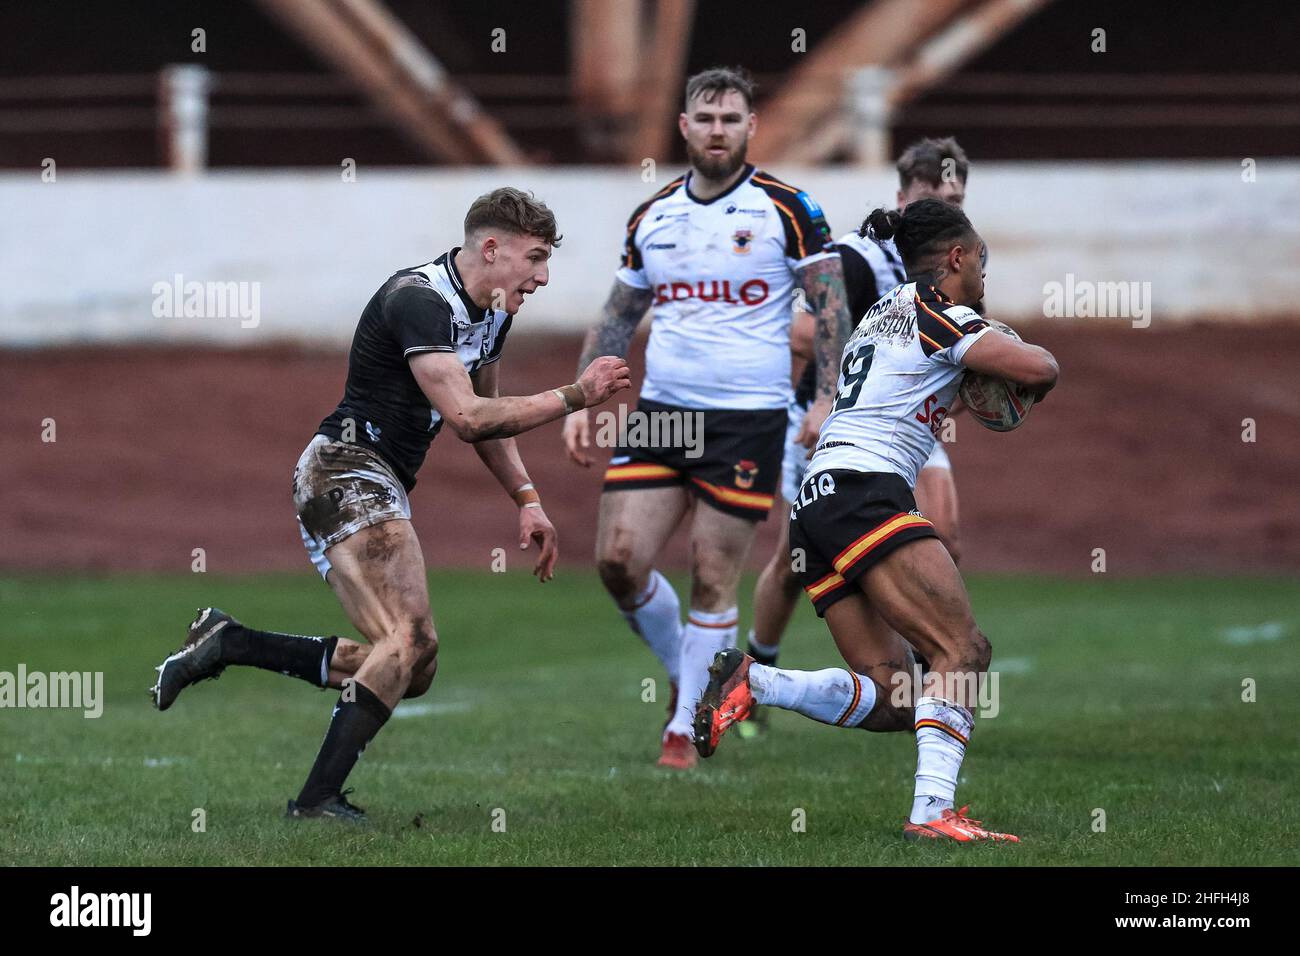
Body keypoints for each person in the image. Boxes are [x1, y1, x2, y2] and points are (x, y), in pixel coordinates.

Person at [150, 188, 631, 821]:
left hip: (365, 481)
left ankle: (231, 643)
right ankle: (316, 801)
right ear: (491, 248)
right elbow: (466, 417)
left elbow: (492, 417)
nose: (544, 277)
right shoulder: (420, 302)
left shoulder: (491, 313)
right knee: (409, 638)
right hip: (347, 470)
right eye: (535, 259)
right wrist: (576, 394)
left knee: (414, 664)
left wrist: (528, 499)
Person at [694, 199, 1059, 842]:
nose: (983, 273)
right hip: (865, 491)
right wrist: (1006, 351)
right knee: (963, 649)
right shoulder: (939, 313)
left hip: (816, 502)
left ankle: (758, 680)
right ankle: (932, 815)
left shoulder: (885, 312)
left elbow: (913, 388)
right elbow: (1042, 369)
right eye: (980, 261)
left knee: (895, 698)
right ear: (956, 257)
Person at [562, 67, 852, 769]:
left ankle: (686, 729)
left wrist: (825, 399)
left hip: (747, 418)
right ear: (683, 127)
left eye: (730, 118)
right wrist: (581, 395)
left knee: (711, 575)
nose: (717, 129)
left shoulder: (790, 207)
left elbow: (831, 307)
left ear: (750, 127)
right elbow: (619, 313)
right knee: (617, 562)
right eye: (705, 117)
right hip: (664, 412)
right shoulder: (653, 216)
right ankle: (690, 671)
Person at [743, 139, 974, 738]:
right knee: (795, 562)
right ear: (902, 199)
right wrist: (852, 377)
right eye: (930, 198)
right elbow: (797, 329)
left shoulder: (954, 266)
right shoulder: (857, 257)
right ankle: (758, 671)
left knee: (942, 533)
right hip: (836, 423)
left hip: (903, 427)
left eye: (954, 199)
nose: (942, 208)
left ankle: (934, 688)